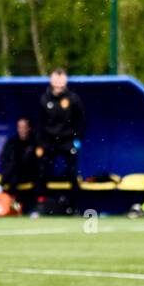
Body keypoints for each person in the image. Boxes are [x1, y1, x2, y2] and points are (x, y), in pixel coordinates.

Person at [38, 67, 86, 203]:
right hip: (49, 142)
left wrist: (77, 139)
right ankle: (42, 203)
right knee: (42, 171)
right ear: (51, 81)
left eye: (61, 81)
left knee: (72, 172)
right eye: (56, 80)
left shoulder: (73, 98)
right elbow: (40, 123)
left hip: (67, 141)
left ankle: (74, 205)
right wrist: (40, 143)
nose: (59, 84)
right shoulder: (44, 99)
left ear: (65, 81)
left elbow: (81, 120)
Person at [0, 117, 40, 212]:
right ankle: (13, 204)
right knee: (13, 166)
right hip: (13, 176)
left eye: (24, 127)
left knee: (39, 176)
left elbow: (38, 161)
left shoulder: (34, 142)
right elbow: (3, 159)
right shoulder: (12, 142)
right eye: (20, 127)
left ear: (29, 128)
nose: (22, 130)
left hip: (30, 174)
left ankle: (36, 208)